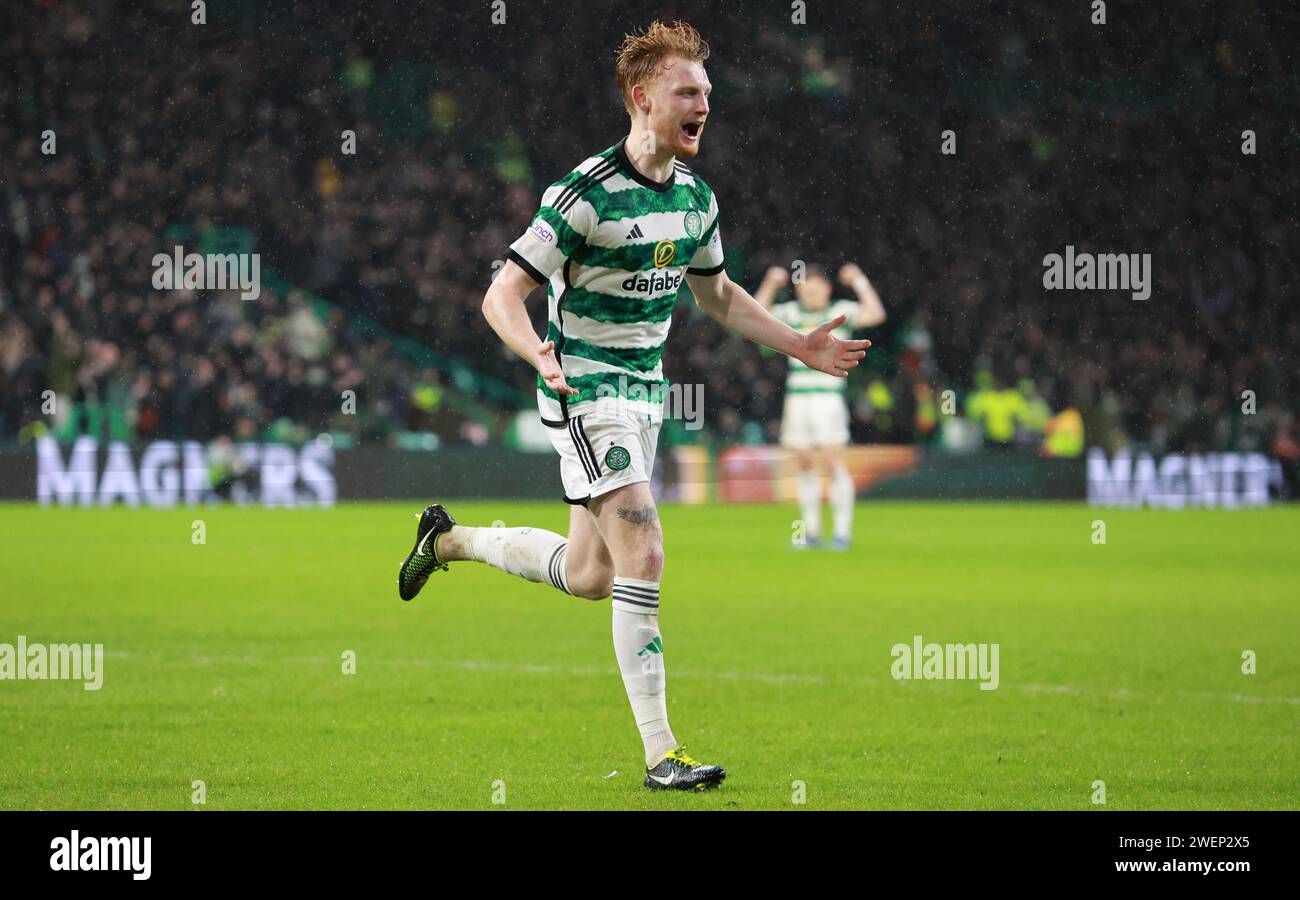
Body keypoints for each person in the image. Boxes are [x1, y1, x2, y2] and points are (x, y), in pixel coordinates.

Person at [395, 20, 870, 791]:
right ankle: (661, 756)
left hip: (643, 400)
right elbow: (501, 293)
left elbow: (717, 297)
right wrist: (536, 351)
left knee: (591, 576)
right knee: (644, 550)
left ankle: (448, 542)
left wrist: (799, 345)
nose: (704, 106)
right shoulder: (583, 195)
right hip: (582, 392)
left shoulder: (695, 200)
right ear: (643, 98)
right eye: (689, 92)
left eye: (709, 94)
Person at [755, 262, 886, 549]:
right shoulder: (790, 313)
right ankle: (811, 532)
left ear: (827, 289)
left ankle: (842, 532)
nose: (811, 293)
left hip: (828, 397)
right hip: (798, 398)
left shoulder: (838, 313)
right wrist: (770, 283)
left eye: (817, 287)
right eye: (805, 286)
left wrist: (859, 279)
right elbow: (757, 318)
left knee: (832, 460)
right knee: (803, 462)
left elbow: (876, 314)